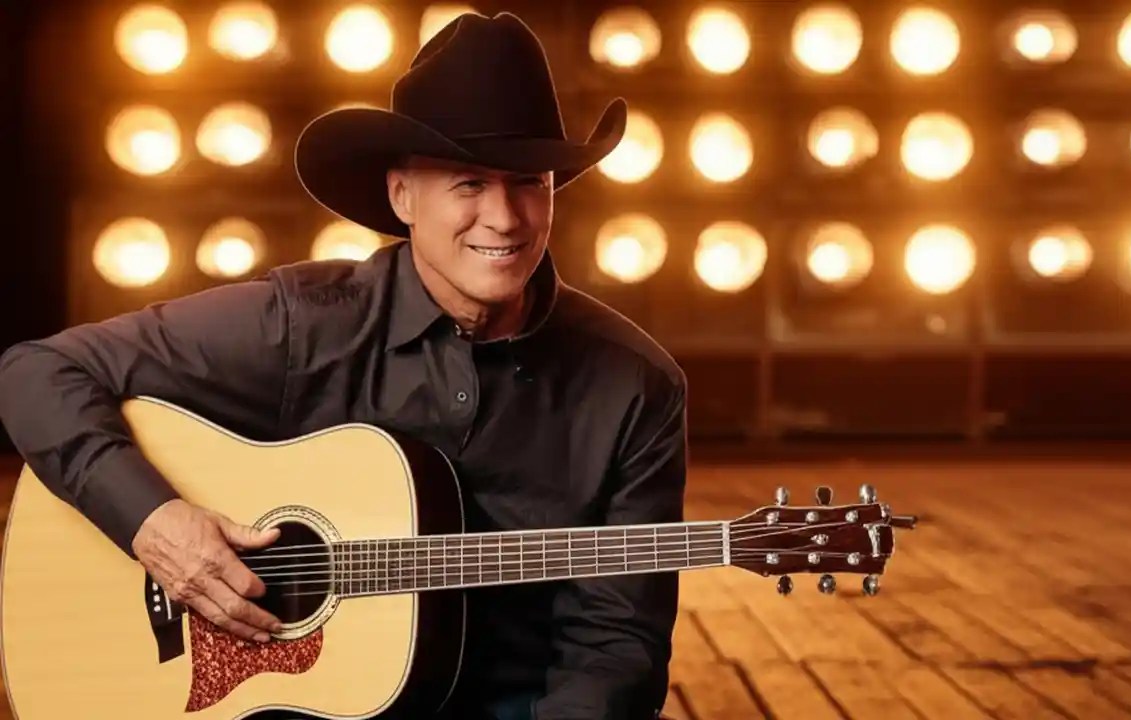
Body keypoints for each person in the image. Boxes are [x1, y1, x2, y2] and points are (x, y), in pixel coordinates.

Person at [0, 11, 686, 720]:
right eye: (469, 184)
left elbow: (616, 645)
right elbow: (35, 372)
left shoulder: (635, 384)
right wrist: (153, 521)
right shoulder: (306, 323)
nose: (505, 218)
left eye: (527, 183)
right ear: (402, 195)